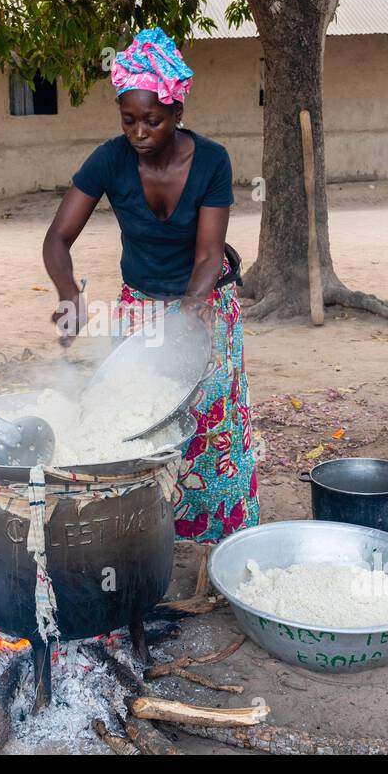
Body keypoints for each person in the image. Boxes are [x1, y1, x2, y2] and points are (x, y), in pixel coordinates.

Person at [43, 27, 259, 543]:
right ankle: (149, 540)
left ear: (177, 113)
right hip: (139, 308)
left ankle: (217, 545)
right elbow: (57, 237)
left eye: (152, 120)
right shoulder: (110, 160)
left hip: (202, 304)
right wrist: (69, 294)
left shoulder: (211, 161)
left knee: (209, 427)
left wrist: (189, 312)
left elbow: (209, 253)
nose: (139, 132)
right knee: (142, 426)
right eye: (129, 119)